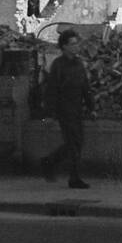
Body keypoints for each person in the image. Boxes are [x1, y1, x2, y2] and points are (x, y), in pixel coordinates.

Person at [40, 29, 95, 189]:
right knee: (74, 144)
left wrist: (91, 107)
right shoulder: (58, 65)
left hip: (77, 108)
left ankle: (49, 161)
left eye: (77, 43)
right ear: (64, 47)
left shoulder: (79, 64)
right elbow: (52, 91)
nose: (76, 46)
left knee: (76, 143)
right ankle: (74, 178)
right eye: (72, 44)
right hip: (64, 110)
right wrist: (50, 114)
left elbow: (85, 86)